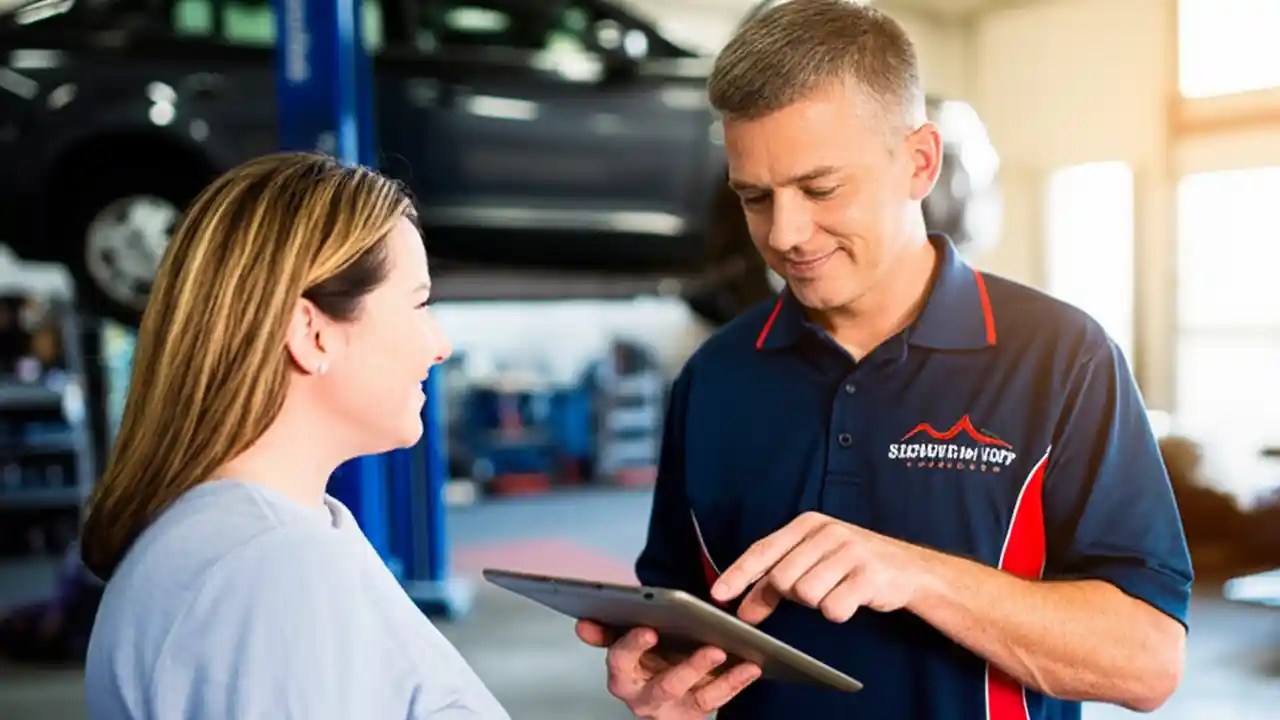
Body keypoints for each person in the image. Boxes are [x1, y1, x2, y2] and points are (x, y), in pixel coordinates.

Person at [575, 1, 1194, 718]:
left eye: (821, 188)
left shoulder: (1061, 359)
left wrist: (917, 574)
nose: (786, 234)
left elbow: (1147, 663)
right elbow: (686, 620)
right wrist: (662, 683)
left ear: (919, 162)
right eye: (755, 198)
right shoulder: (715, 377)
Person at [80, 153, 509, 719]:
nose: (440, 344)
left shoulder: (255, 538)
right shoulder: (273, 569)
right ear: (311, 333)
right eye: (419, 303)